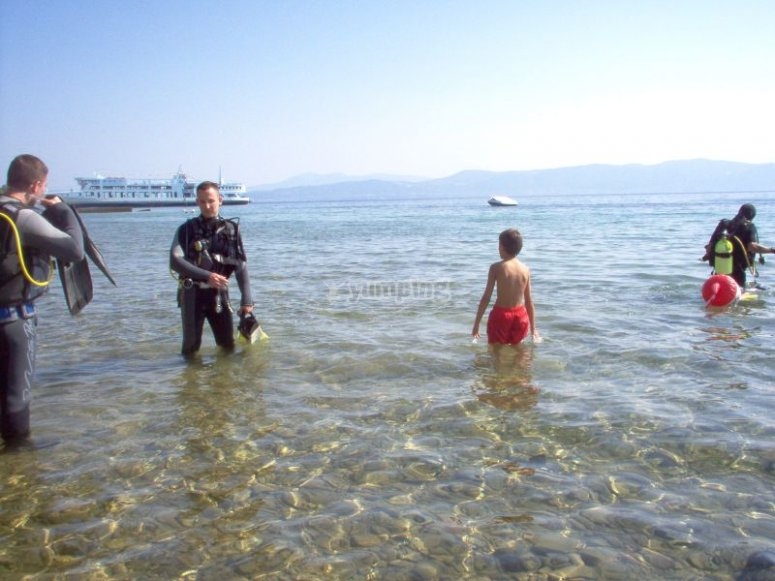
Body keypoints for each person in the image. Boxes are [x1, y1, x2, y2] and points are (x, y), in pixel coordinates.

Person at [1, 154, 84, 447]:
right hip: (13, 321)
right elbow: (74, 250)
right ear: (36, 185)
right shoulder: (22, 217)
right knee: (15, 398)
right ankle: (20, 459)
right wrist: (64, 210)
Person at [169, 181, 254, 356]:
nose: (207, 206)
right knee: (191, 348)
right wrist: (207, 276)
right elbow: (174, 261)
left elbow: (241, 265)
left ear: (220, 200)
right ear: (197, 202)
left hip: (219, 295)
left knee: (227, 346)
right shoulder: (186, 229)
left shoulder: (232, 229)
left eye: (211, 200)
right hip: (192, 294)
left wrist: (247, 300)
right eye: (202, 202)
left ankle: (223, 382)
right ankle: (190, 381)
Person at [472, 228, 539, 345]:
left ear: (501, 247)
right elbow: (529, 301)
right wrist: (533, 329)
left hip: (501, 316)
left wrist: (476, 324)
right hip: (521, 316)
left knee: (496, 352)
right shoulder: (525, 269)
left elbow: (486, 298)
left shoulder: (496, 268)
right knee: (519, 351)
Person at [704, 203, 775, 288]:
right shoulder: (749, 227)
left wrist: (708, 256)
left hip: (720, 268)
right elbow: (752, 246)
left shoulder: (724, 224)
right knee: (743, 292)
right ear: (752, 217)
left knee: (721, 285)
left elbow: (709, 246)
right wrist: (771, 250)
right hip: (737, 271)